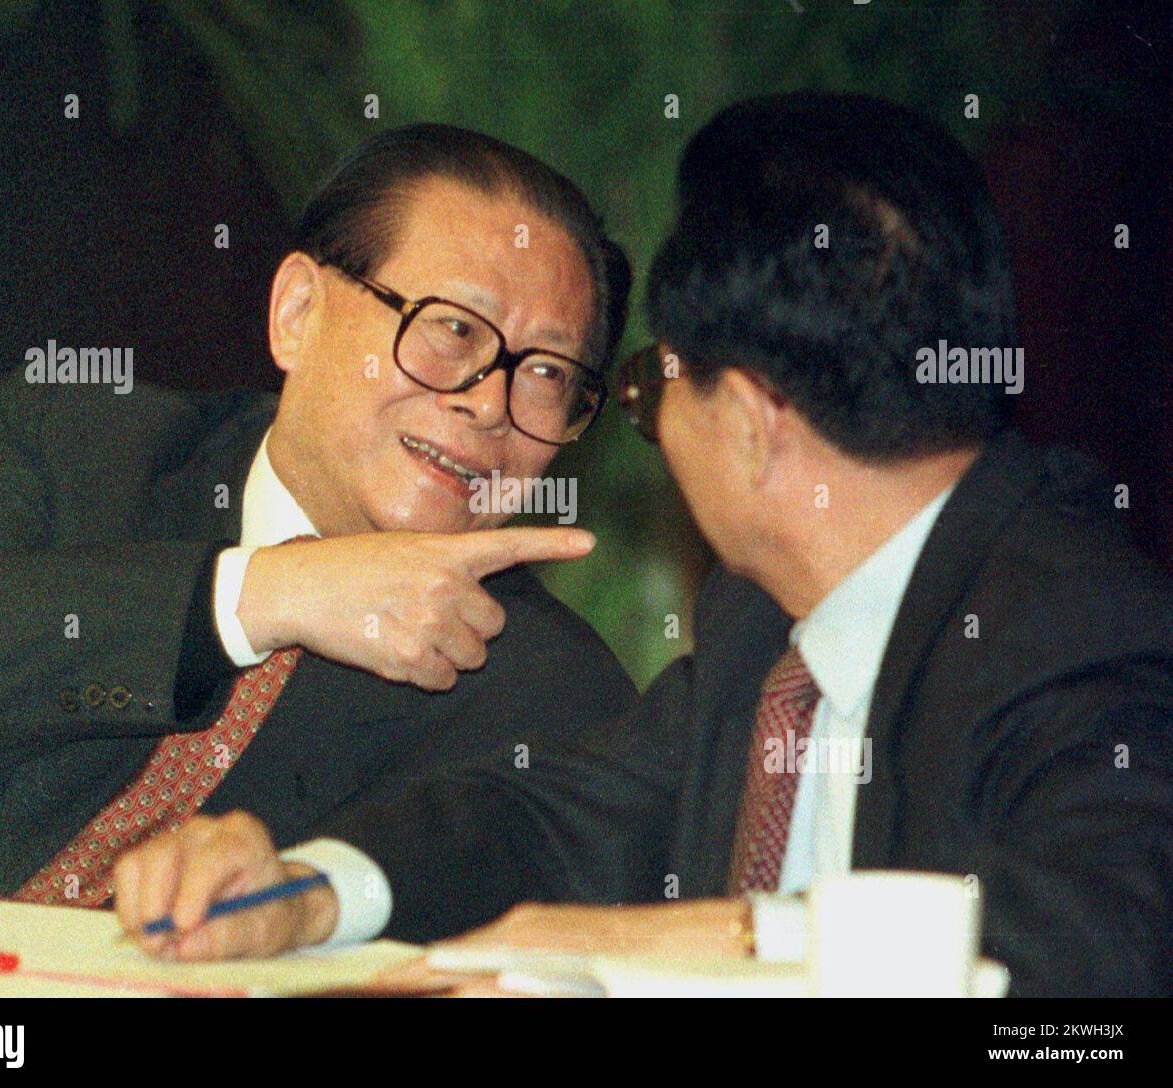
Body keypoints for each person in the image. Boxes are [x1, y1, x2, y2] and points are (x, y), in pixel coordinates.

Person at [111, 95, 1173, 997]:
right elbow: (552, 811)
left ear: (753, 424)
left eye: (655, 385)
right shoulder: (770, 627)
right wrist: (304, 890)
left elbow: (1110, 928)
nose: (654, 428)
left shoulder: (1076, 622)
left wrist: (734, 936)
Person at [0, 124, 638, 913]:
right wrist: (257, 597)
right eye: (453, 328)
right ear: (299, 312)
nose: (487, 403)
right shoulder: (80, 451)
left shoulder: (549, 695)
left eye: (546, 372)